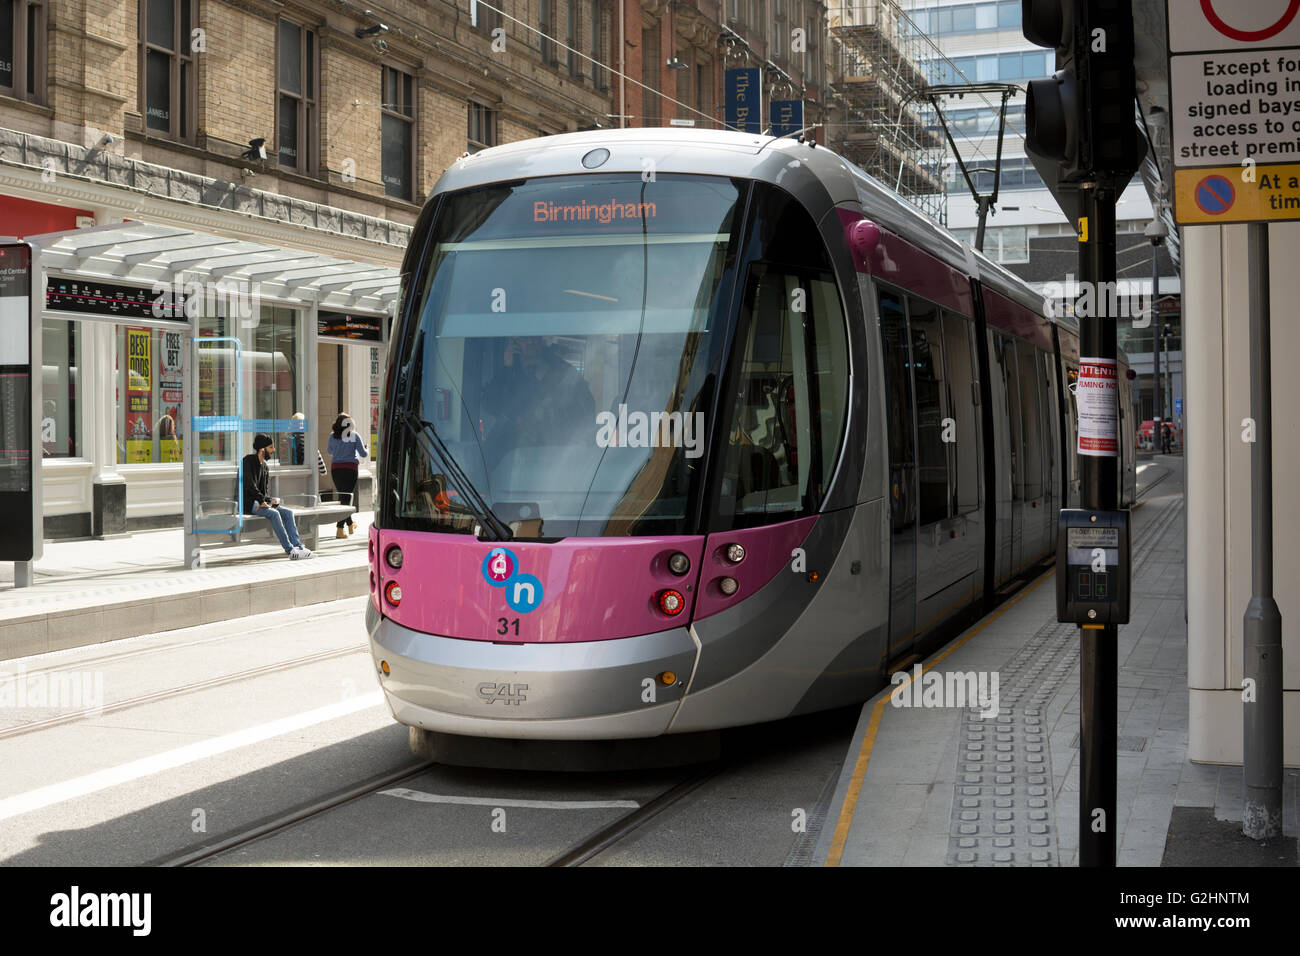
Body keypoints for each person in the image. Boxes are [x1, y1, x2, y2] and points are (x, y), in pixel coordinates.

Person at [481, 336, 595, 466]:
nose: (530, 341)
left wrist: (578, 439)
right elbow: (490, 405)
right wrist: (507, 369)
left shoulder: (562, 370)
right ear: (514, 343)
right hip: (512, 456)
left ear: (542, 340)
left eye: (535, 338)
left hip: (554, 455)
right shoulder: (507, 372)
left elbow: (586, 407)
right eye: (524, 338)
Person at [242, 433, 314, 559]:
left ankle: (298, 547)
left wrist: (271, 501)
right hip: (248, 503)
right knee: (274, 514)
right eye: (271, 447)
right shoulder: (247, 461)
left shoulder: (264, 466)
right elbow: (249, 485)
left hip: (260, 502)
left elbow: (264, 492)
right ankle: (290, 550)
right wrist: (261, 501)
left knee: (288, 512)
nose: (273, 450)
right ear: (262, 449)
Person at [327, 413, 369, 538]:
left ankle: (350, 524)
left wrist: (339, 450)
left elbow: (330, 452)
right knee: (346, 498)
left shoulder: (332, 436)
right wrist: (366, 448)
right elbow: (364, 454)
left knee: (343, 497)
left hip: (336, 469)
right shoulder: (354, 435)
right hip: (350, 468)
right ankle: (340, 528)